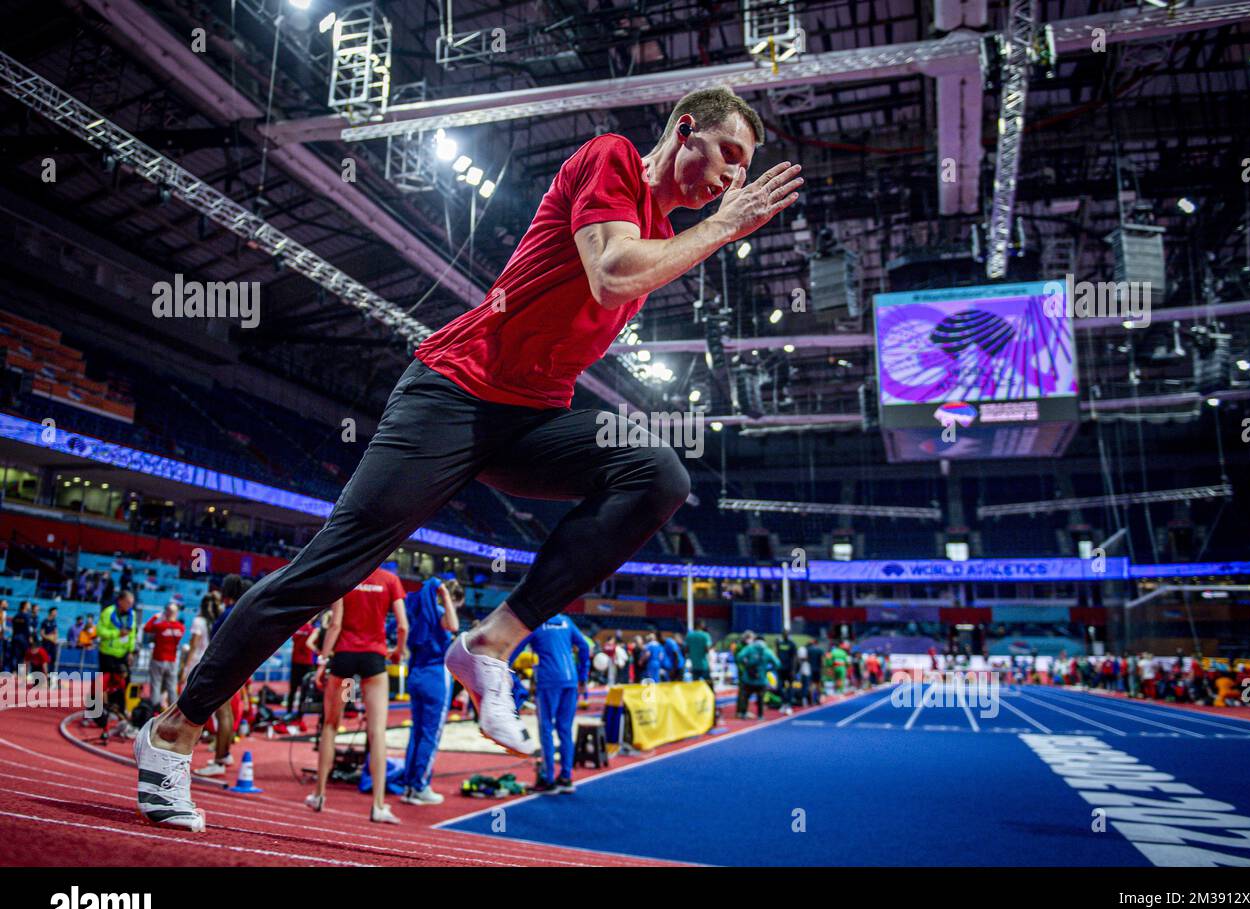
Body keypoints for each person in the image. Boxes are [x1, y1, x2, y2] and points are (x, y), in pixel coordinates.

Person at [134, 86, 800, 831]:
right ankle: (172, 732)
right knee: (329, 570)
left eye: (743, 171)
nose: (732, 180)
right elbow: (614, 272)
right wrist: (722, 227)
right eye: (731, 156)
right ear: (686, 132)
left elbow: (624, 275)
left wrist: (711, 227)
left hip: (531, 419)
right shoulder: (610, 157)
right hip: (453, 396)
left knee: (659, 476)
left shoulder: (662, 228)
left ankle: (488, 644)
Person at [304, 562, 408, 824]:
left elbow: (336, 624)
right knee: (377, 733)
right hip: (374, 658)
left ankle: (319, 795)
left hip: (344, 658)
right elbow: (403, 626)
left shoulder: (346, 575)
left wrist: (322, 662)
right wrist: (397, 652)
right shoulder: (390, 580)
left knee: (330, 726)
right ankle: (378, 806)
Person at [509, 611, 590, 794]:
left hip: (549, 681)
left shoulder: (535, 623)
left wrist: (508, 673)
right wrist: (583, 676)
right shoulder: (566, 621)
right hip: (571, 680)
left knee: (546, 728)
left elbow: (514, 651)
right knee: (565, 729)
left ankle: (549, 779)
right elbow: (584, 646)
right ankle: (566, 778)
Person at [400, 576, 463, 806]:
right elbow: (454, 625)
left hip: (415, 674)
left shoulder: (420, 611)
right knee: (430, 734)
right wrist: (446, 596)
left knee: (416, 733)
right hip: (435, 677)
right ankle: (420, 786)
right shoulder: (439, 612)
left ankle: (409, 785)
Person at [194, 578, 250, 778]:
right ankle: (224, 755)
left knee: (223, 713)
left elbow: (217, 642)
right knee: (227, 713)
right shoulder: (242, 611)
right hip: (234, 665)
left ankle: (219, 760)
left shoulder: (229, 612)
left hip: (223, 665)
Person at [94, 592, 138, 739]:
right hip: (107, 654)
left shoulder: (132, 615)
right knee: (103, 683)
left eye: (132, 603)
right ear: (120, 601)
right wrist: (117, 633)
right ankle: (98, 712)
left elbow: (132, 634)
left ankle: (119, 710)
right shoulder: (108, 612)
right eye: (128, 602)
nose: (130, 605)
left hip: (123, 655)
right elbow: (99, 631)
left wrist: (131, 652)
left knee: (124, 683)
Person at [144, 603, 186, 714]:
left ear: (166, 612)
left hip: (158, 659)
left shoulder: (160, 626)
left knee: (156, 685)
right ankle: (175, 711)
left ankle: (155, 710)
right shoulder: (181, 628)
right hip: (172, 660)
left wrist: (156, 617)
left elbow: (146, 628)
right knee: (172, 687)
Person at [735, 633, 778, 720]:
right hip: (761, 679)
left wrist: (746, 665)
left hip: (748, 678)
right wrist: (767, 670)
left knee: (745, 697)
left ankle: (743, 713)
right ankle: (760, 715)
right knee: (760, 698)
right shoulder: (767, 650)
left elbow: (739, 657)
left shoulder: (749, 648)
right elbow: (777, 664)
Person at [287, 616, 320, 717]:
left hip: (296, 661)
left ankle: (289, 712)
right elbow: (311, 644)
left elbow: (293, 639)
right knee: (303, 690)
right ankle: (300, 714)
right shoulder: (313, 630)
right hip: (307, 663)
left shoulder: (297, 629)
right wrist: (319, 652)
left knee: (293, 689)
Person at [774, 630, 797, 714]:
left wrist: (793, 670)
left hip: (789, 669)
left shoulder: (792, 644)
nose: (785, 635)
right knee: (779, 687)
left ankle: (789, 705)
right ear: (782, 635)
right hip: (780, 669)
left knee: (790, 687)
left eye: (787, 634)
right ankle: (784, 702)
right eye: (784, 634)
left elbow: (794, 657)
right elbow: (776, 653)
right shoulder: (779, 644)